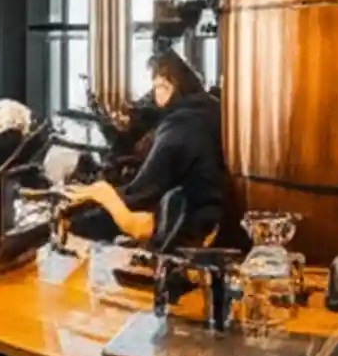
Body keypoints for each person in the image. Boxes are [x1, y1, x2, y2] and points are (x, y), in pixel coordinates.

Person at [65, 50, 225, 248]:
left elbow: (143, 191)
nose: (155, 94)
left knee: (88, 220)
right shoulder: (206, 111)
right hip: (209, 219)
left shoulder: (180, 124)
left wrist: (99, 196)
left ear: (170, 86)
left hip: (188, 228)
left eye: (158, 86)